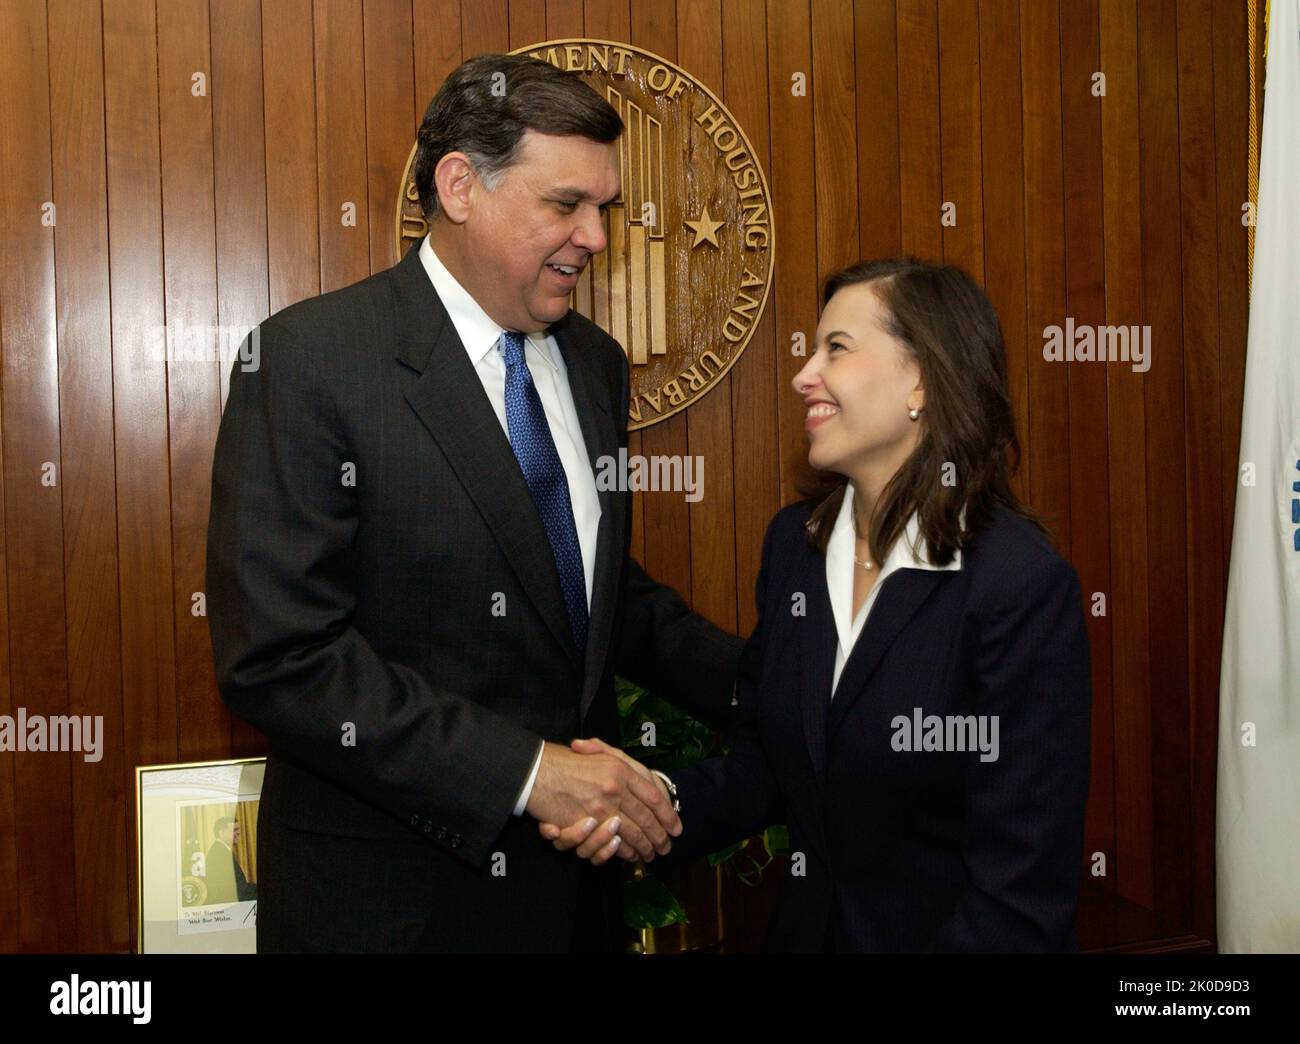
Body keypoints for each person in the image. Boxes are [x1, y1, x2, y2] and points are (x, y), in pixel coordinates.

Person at [205, 53, 741, 954]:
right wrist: (530, 774)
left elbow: (590, 597)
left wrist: (782, 687)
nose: (595, 237)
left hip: (573, 908)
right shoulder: (312, 361)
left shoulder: (596, 364)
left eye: (604, 208)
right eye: (565, 204)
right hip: (394, 912)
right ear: (460, 186)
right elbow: (282, 657)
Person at [545, 258, 1093, 952]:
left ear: (923, 379)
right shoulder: (795, 547)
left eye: (837, 348)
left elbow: (1020, 894)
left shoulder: (1017, 585)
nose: (805, 375)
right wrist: (653, 803)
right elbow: (774, 764)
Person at [203, 817, 257, 904]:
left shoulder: (220, 850)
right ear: (221, 833)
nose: (238, 832)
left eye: (238, 829)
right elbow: (235, 891)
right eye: (234, 830)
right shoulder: (220, 854)